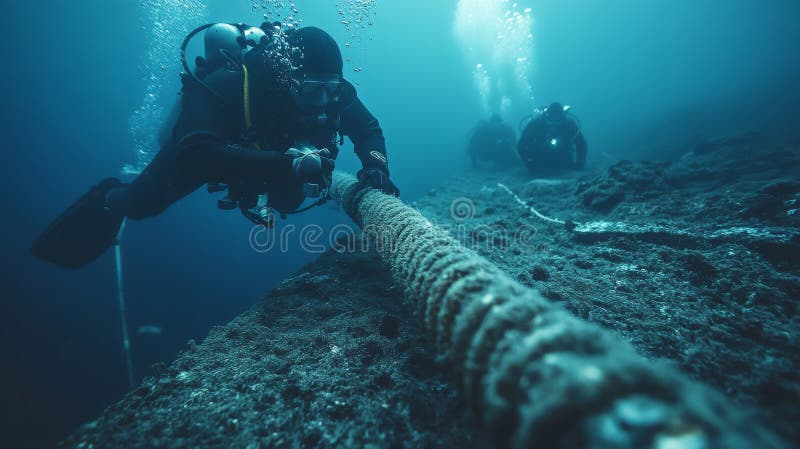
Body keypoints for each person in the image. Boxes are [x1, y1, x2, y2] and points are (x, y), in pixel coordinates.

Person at [31, 22, 400, 269]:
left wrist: (376, 166)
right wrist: (285, 166)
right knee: (140, 205)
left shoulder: (334, 93)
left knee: (289, 200)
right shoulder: (231, 83)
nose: (323, 101)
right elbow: (195, 155)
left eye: (331, 89)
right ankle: (109, 197)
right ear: (286, 78)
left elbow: (367, 128)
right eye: (311, 89)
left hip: (271, 160)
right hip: (214, 150)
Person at [517, 102, 587, 173]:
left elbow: (581, 143)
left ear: (562, 117)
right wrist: (529, 162)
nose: (554, 123)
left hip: (564, 162)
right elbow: (521, 145)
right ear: (547, 116)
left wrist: (580, 164)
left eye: (558, 119)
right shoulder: (535, 124)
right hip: (539, 163)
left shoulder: (569, 124)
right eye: (552, 119)